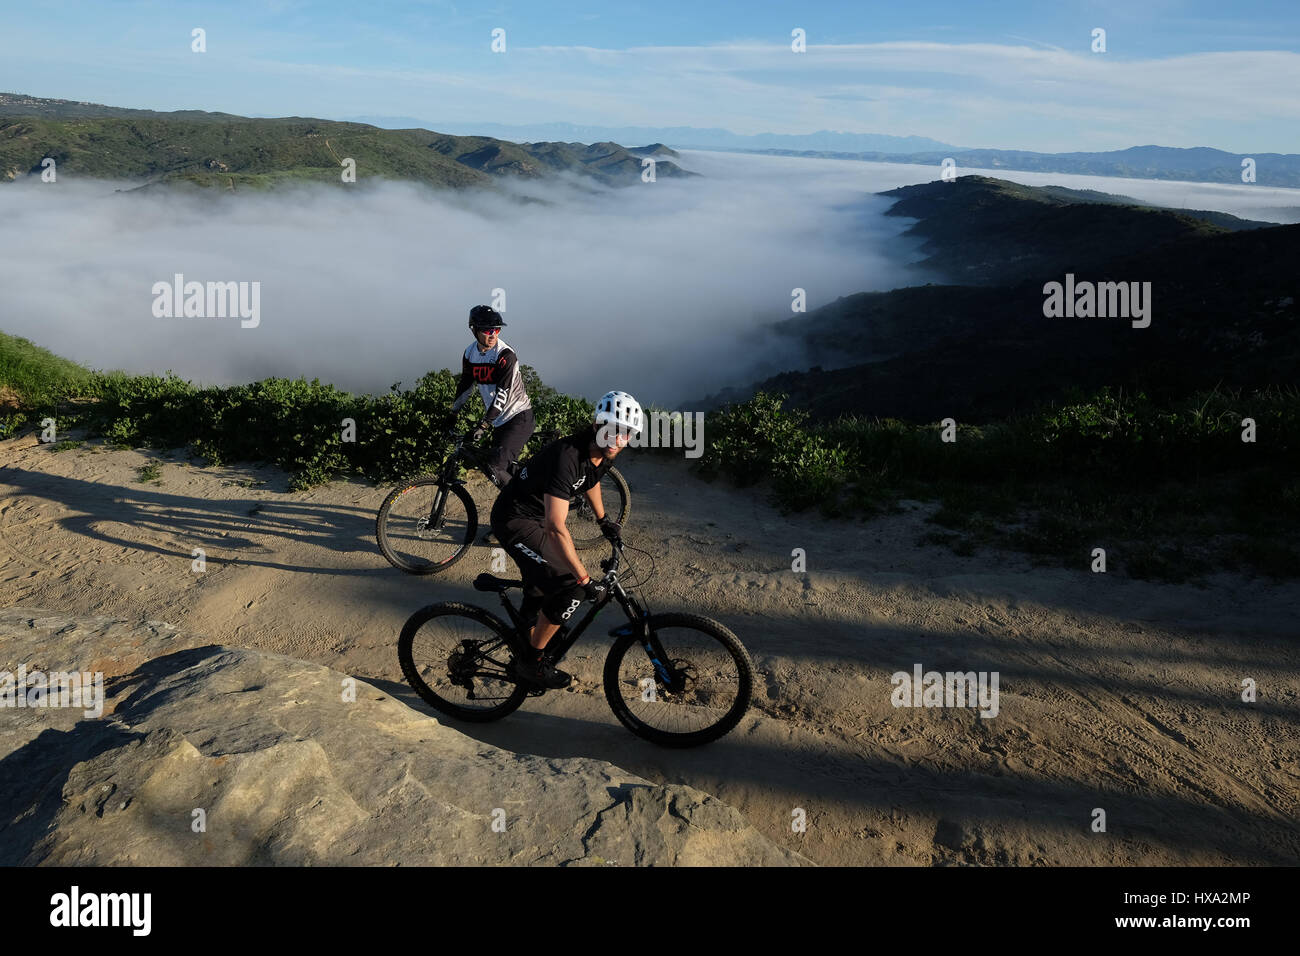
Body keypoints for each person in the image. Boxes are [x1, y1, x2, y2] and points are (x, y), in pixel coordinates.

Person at [490, 390, 643, 688]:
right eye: (612, 429)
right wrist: (584, 580)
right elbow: (556, 527)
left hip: (535, 518)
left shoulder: (603, 453)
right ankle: (532, 663)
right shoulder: (567, 457)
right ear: (597, 425)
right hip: (515, 520)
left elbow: (590, 481)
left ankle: (529, 630)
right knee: (570, 587)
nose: (617, 439)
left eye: (626, 433)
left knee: (545, 585)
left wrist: (604, 521)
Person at [449, 305, 534, 487]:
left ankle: (518, 502)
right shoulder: (470, 354)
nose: (493, 334)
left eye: (497, 329)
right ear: (474, 330)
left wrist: (484, 424)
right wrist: (453, 414)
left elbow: (502, 393)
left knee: (494, 466)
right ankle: (531, 496)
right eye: (487, 330)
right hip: (499, 421)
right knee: (507, 470)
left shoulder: (505, 355)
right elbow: (465, 386)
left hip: (518, 416)